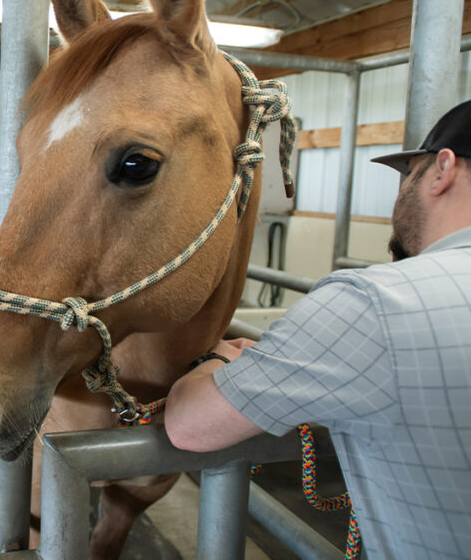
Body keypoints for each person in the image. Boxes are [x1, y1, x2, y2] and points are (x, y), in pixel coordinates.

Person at [165, 100, 471, 558]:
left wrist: (217, 361)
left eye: (410, 173)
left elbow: (191, 427)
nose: (402, 190)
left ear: (442, 169)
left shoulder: (377, 303)